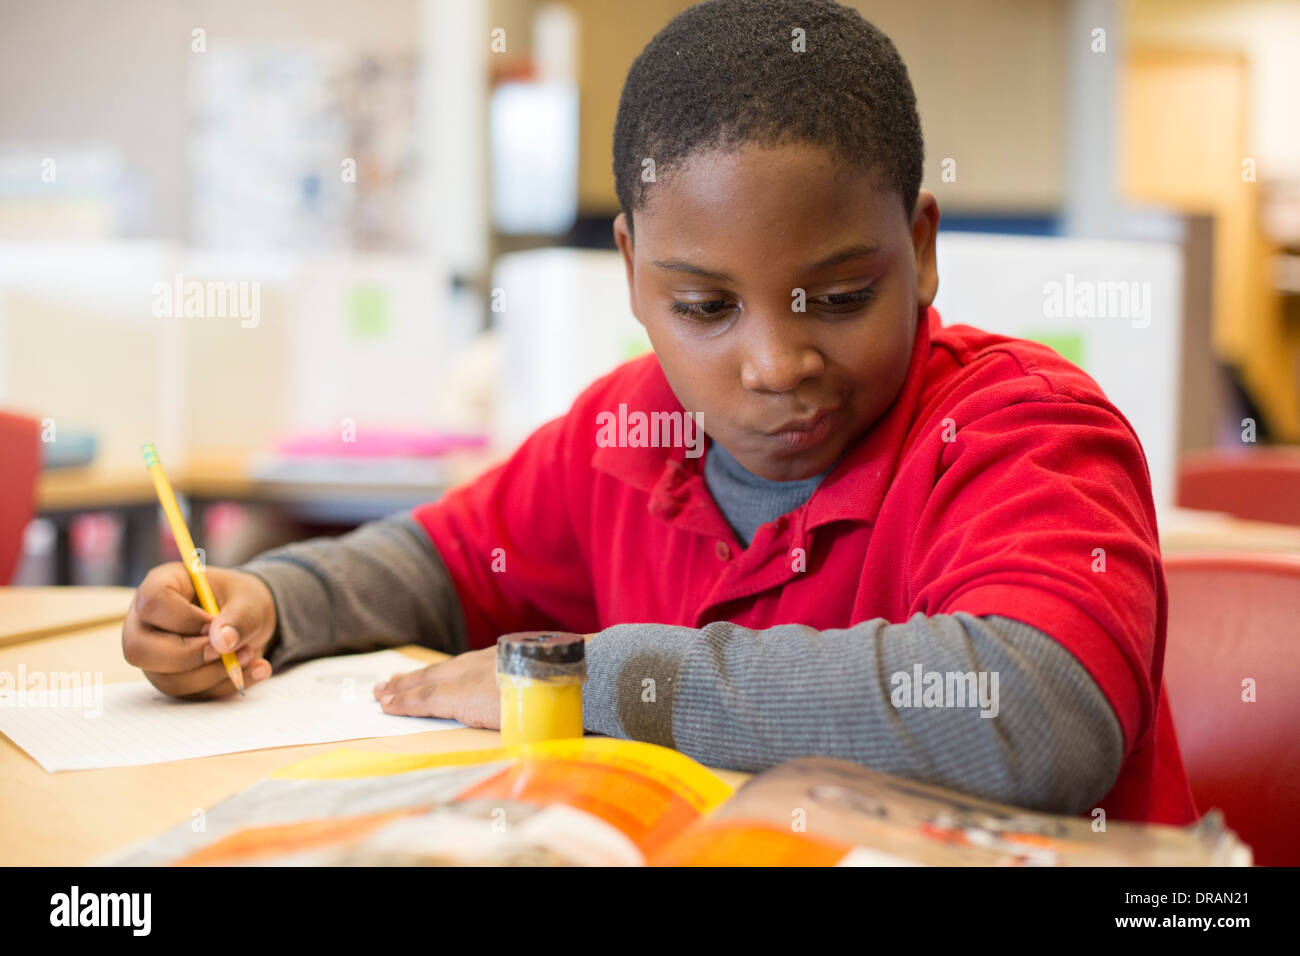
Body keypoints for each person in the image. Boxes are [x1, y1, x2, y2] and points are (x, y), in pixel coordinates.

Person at [122, 0, 1197, 823]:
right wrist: (267, 601)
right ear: (633, 275)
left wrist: (611, 676)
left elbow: (1032, 712)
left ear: (918, 248)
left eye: (838, 296)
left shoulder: (1024, 428)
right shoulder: (627, 434)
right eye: (705, 307)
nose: (776, 362)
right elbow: (439, 566)